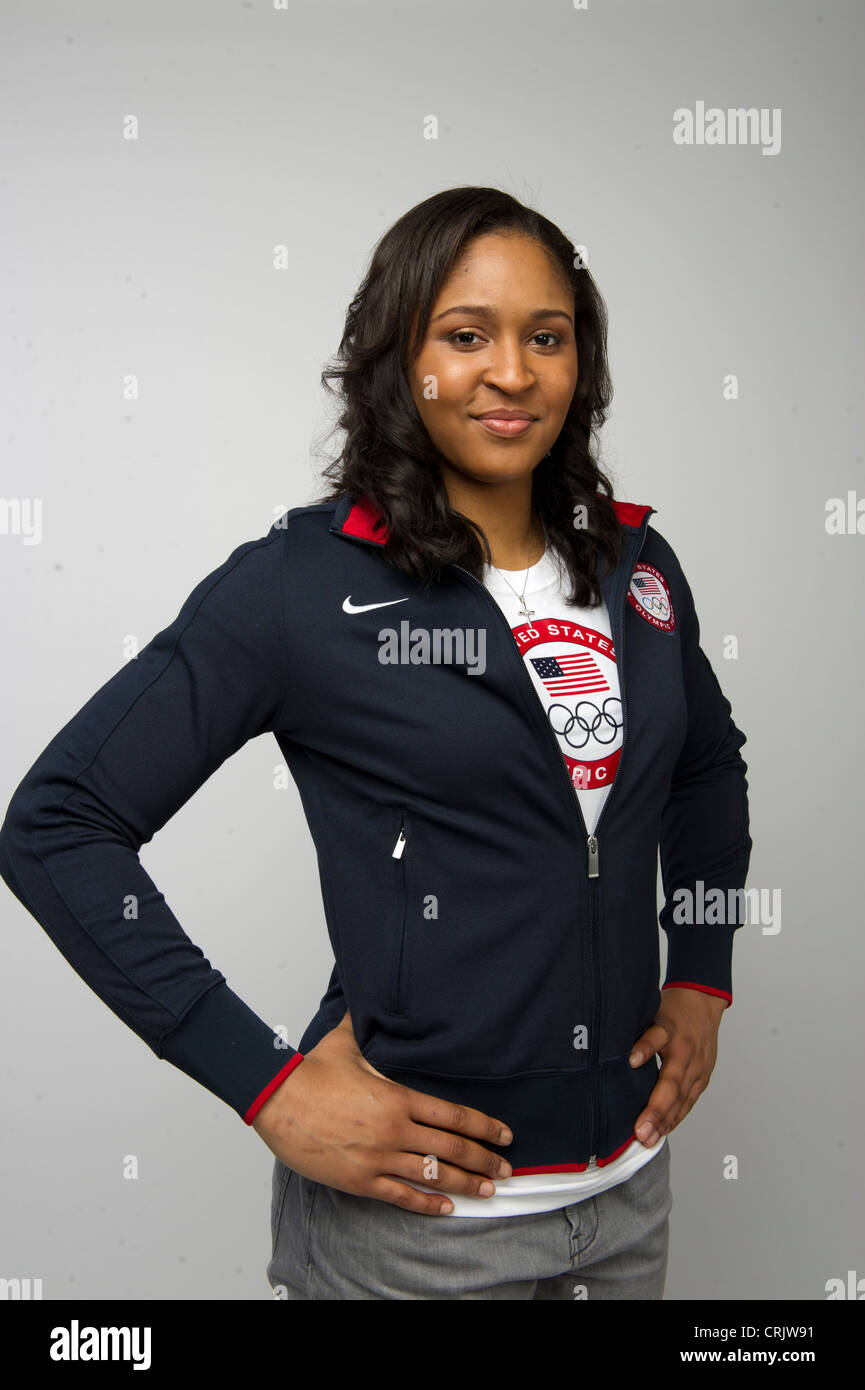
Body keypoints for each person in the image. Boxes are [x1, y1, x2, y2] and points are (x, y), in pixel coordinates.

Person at [0, 186, 752, 1301]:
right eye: (465, 336)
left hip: (625, 1207)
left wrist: (700, 971)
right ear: (399, 360)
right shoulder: (303, 585)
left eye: (545, 337)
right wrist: (266, 1084)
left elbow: (702, 769)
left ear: (579, 363)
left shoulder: (637, 564)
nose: (511, 372)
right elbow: (58, 825)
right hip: (417, 1237)